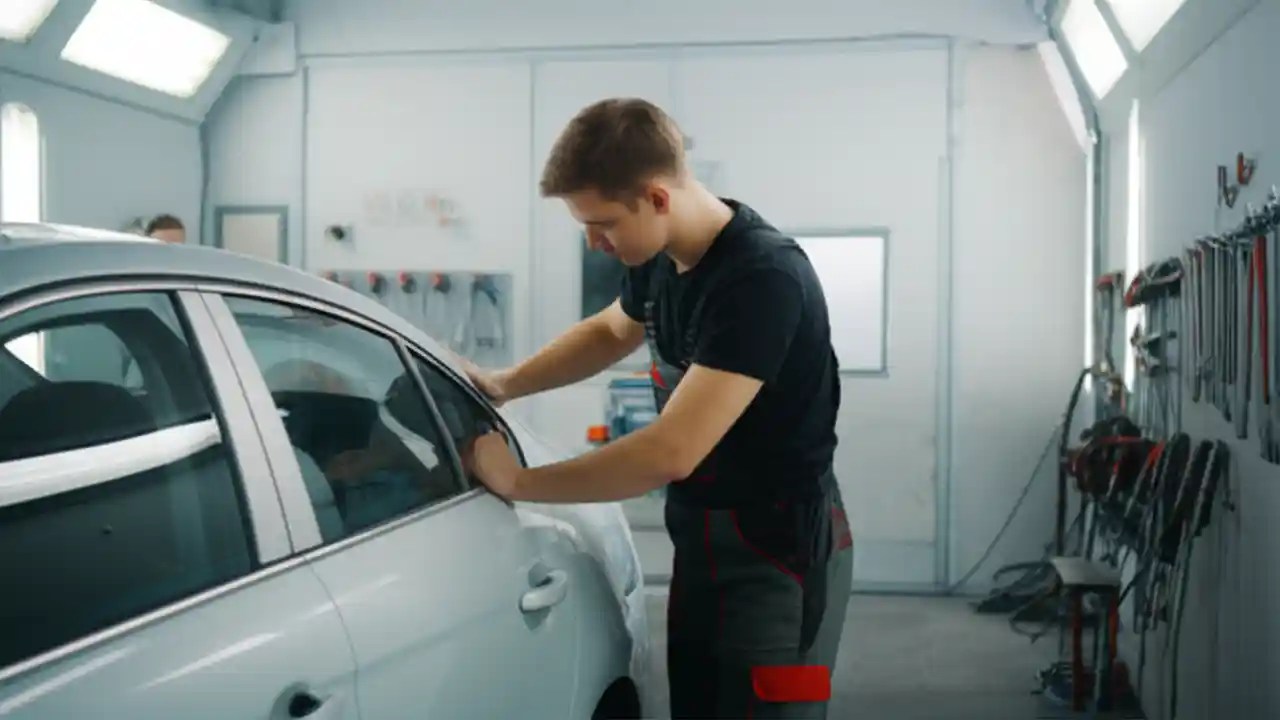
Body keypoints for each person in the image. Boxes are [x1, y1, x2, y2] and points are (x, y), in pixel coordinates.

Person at [463, 97, 853, 720]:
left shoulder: (761, 278)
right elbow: (610, 332)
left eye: (604, 223)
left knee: (772, 713)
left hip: (782, 553)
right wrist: (506, 383)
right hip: (703, 537)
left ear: (658, 197)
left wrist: (519, 482)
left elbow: (671, 451)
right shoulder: (661, 259)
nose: (594, 242)